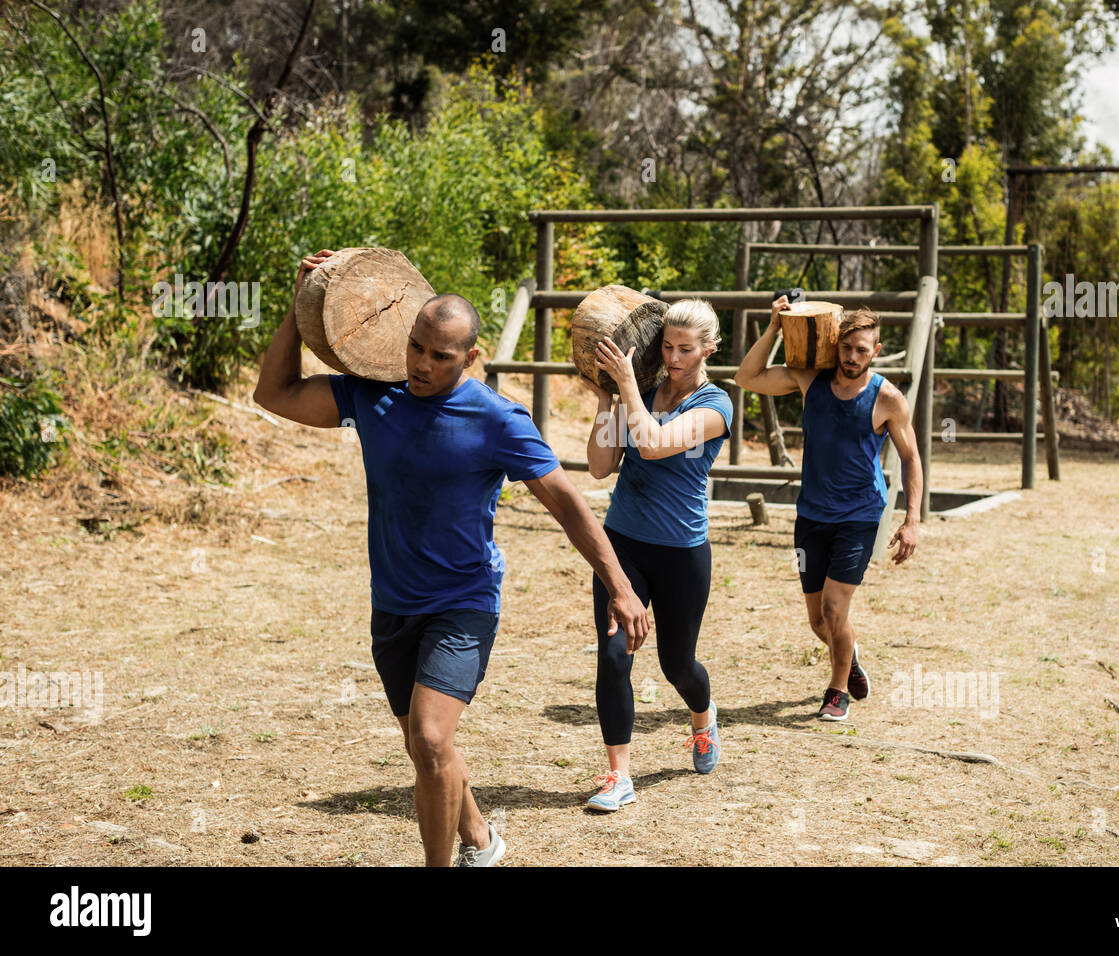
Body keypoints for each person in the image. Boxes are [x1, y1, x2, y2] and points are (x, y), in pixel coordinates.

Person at [254, 250, 648, 865]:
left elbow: (568, 504)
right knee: (422, 744)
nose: (421, 364)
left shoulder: (496, 419)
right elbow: (273, 392)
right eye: (416, 346)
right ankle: (480, 837)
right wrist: (302, 301)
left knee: (433, 738)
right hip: (394, 603)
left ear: (468, 359)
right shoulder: (372, 396)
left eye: (440, 356)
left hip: (464, 602)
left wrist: (621, 587)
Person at [578, 299, 733, 812]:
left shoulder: (717, 406)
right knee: (613, 653)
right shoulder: (638, 389)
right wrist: (608, 396)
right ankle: (618, 776)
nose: (673, 357)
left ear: (709, 349)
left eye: (685, 349)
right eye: (666, 346)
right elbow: (601, 466)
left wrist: (625, 388)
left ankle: (703, 717)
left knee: (677, 664)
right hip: (622, 545)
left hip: (682, 553)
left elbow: (653, 444)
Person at [735, 297, 921, 721]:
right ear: (837, 346)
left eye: (862, 350)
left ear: (875, 351)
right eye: (847, 348)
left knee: (836, 610)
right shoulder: (809, 380)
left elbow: (911, 458)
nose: (852, 357)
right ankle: (848, 656)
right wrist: (774, 330)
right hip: (811, 515)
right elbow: (747, 376)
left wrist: (911, 521)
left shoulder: (888, 398)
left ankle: (837, 692)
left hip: (859, 516)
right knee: (820, 622)